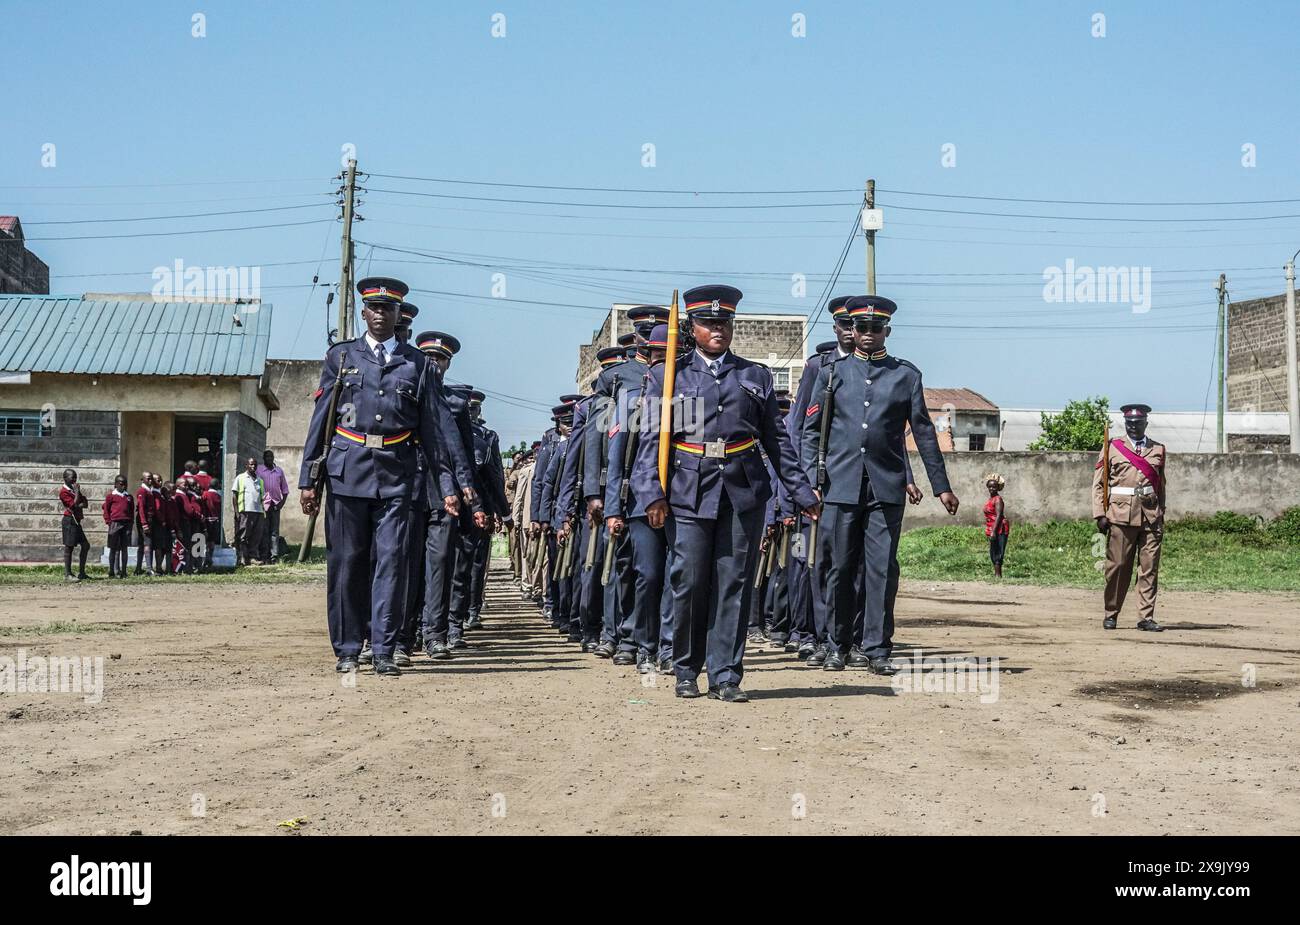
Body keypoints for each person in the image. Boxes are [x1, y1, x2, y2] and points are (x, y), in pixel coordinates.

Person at [633, 285, 820, 703]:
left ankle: (726, 675)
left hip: (743, 491)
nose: (718, 329)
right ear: (691, 328)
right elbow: (650, 443)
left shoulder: (754, 376)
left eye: (724, 322)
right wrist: (652, 494)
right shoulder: (670, 378)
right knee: (689, 580)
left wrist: (801, 491)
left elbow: (777, 440)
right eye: (708, 322)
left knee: (733, 583)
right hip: (687, 490)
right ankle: (685, 668)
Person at [299, 278, 475, 676]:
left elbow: (433, 431)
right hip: (346, 470)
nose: (380, 314)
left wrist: (447, 485)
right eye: (373, 308)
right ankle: (347, 648)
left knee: (393, 562)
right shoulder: (341, 358)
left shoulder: (418, 365)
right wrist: (310, 477)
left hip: (397, 473)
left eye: (388, 309)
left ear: (399, 316)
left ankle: (383, 649)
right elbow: (322, 419)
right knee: (347, 562)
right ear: (364, 312)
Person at [801, 295, 959, 673]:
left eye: (876, 328)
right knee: (839, 567)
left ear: (886, 331)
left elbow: (922, 432)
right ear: (851, 332)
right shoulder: (831, 373)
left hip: (885, 488)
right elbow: (810, 432)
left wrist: (941, 485)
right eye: (861, 328)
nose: (868, 334)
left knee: (882, 570)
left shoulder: (905, 375)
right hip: (839, 486)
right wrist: (811, 481)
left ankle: (876, 648)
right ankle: (837, 644)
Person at [1093, 403, 1166, 632]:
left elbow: (1161, 485)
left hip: (1150, 517)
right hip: (1120, 516)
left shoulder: (1158, 449)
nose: (1134, 427)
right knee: (1118, 566)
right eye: (1130, 423)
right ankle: (1111, 613)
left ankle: (1146, 617)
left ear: (1146, 423)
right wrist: (1100, 514)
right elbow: (1099, 484)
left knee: (1149, 568)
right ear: (1125, 424)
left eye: (1138, 423)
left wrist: (1161, 512)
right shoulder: (1112, 447)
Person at [232, 457, 267, 567]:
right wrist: (237, 512)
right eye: (251, 464)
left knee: (256, 536)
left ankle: (252, 557)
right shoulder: (241, 478)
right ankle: (242, 557)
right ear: (246, 465)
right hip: (245, 511)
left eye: (255, 465)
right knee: (243, 535)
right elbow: (234, 496)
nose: (253, 466)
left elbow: (262, 497)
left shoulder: (260, 480)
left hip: (258, 512)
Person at [257, 450, 289, 563]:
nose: (269, 458)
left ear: (273, 458)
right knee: (264, 530)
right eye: (267, 457)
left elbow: (285, 489)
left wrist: (281, 503)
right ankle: (264, 555)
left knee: (274, 531)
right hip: (263, 504)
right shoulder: (259, 470)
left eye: (271, 456)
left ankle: (274, 556)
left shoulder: (279, 471)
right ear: (264, 458)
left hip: (275, 504)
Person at [59, 468, 90, 581]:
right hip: (69, 521)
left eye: (76, 477)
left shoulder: (73, 489)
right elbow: (73, 505)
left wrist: (78, 502)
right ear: (65, 478)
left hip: (77, 521)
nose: (75, 479)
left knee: (86, 545)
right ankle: (68, 574)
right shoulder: (64, 492)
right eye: (72, 477)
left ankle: (82, 572)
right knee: (69, 547)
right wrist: (77, 494)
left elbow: (85, 503)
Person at [101, 475, 134, 578]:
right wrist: (109, 522)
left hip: (126, 524)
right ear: (115, 484)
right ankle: (112, 571)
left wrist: (130, 523)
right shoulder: (111, 496)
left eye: (125, 484)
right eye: (121, 484)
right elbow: (106, 510)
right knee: (114, 548)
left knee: (124, 548)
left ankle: (123, 571)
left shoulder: (129, 497)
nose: (123, 486)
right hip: (115, 524)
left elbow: (131, 511)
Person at [984, 473, 1010, 578]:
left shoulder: (998, 500)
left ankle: (998, 575)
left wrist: (994, 531)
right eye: (990, 486)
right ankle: (996, 575)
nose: (992, 488)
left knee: (998, 551)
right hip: (992, 527)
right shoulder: (991, 499)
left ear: (998, 487)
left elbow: (999, 516)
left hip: (1000, 528)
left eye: (994, 486)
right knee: (993, 550)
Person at [134, 471, 157, 576]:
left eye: (151, 478)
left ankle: (138, 569)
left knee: (143, 544)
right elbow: (141, 508)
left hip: (150, 519)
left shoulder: (150, 491)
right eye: (148, 478)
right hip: (145, 520)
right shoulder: (142, 491)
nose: (150, 480)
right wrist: (144, 523)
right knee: (147, 543)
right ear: (142, 479)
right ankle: (149, 568)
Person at [202, 478, 223, 571]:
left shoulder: (205, 494)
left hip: (206, 521)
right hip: (215, 522)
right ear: (217, 485)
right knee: (212, 541)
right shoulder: (218, 496)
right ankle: (209, 558)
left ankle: (205, 559)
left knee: (205, 541)